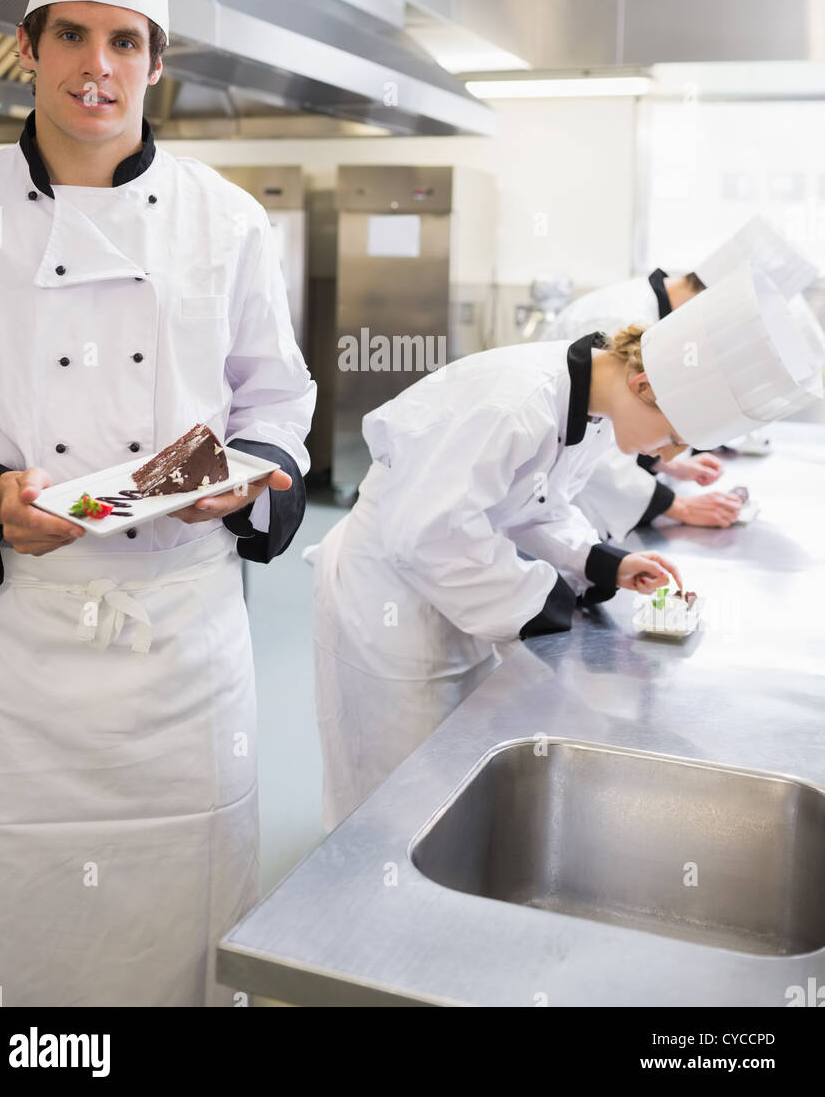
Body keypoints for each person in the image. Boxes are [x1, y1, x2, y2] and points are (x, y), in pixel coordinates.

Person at [0, 0, 316, 1006]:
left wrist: (248, 474)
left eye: (125, 41)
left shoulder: (225, 221)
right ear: (30, 45)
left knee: (179, 923)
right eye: (73, 33)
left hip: (179, 648)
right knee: (10, 918)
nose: (96, 67)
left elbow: (277, 404)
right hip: (11, 655)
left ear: (155, 63)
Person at [310, 265, 821, 830]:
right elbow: (430, 534)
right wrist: (544, 599)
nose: (670, 453)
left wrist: (598, 559)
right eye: (673, 434)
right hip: (390, 601)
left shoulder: (592, 410)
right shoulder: (513, 404)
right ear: (644, 385)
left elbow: (536, 504)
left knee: (442, 774)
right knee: (392, 787)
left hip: (457, 591)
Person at [540, 216, 821, 540]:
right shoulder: (617, 318)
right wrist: (677, 507)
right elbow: (593, 448)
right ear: (717, 305)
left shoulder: (656, 324)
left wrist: (666, 464)